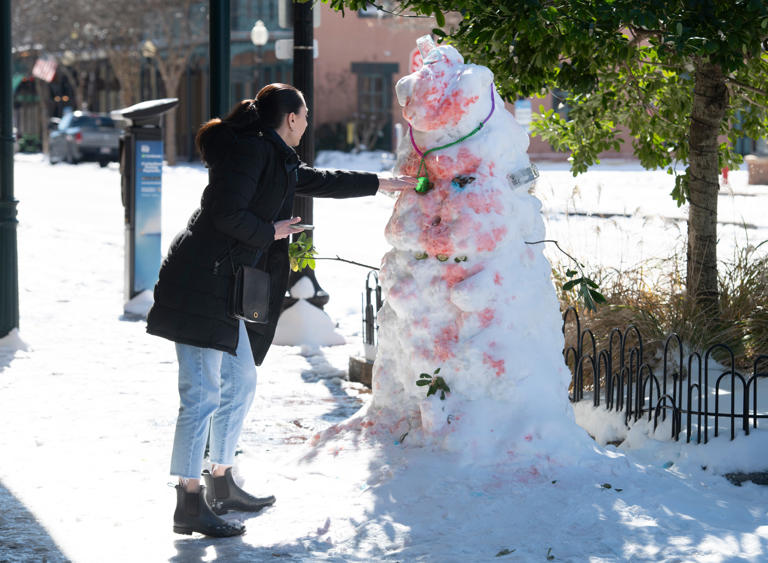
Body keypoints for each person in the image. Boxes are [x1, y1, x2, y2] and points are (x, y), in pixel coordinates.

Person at [145, 83, 414, 537]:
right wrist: (270, 230)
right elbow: (222, 213)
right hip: (198, 285)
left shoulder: (275, 157)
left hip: (223, 287)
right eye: (305, 114)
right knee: (202, 394)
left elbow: (319, 181)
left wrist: (380, 184)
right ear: (291, 118)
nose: (307, 122)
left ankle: (221, 480)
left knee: (241, 380)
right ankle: (188, 501)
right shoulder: (250, 153)